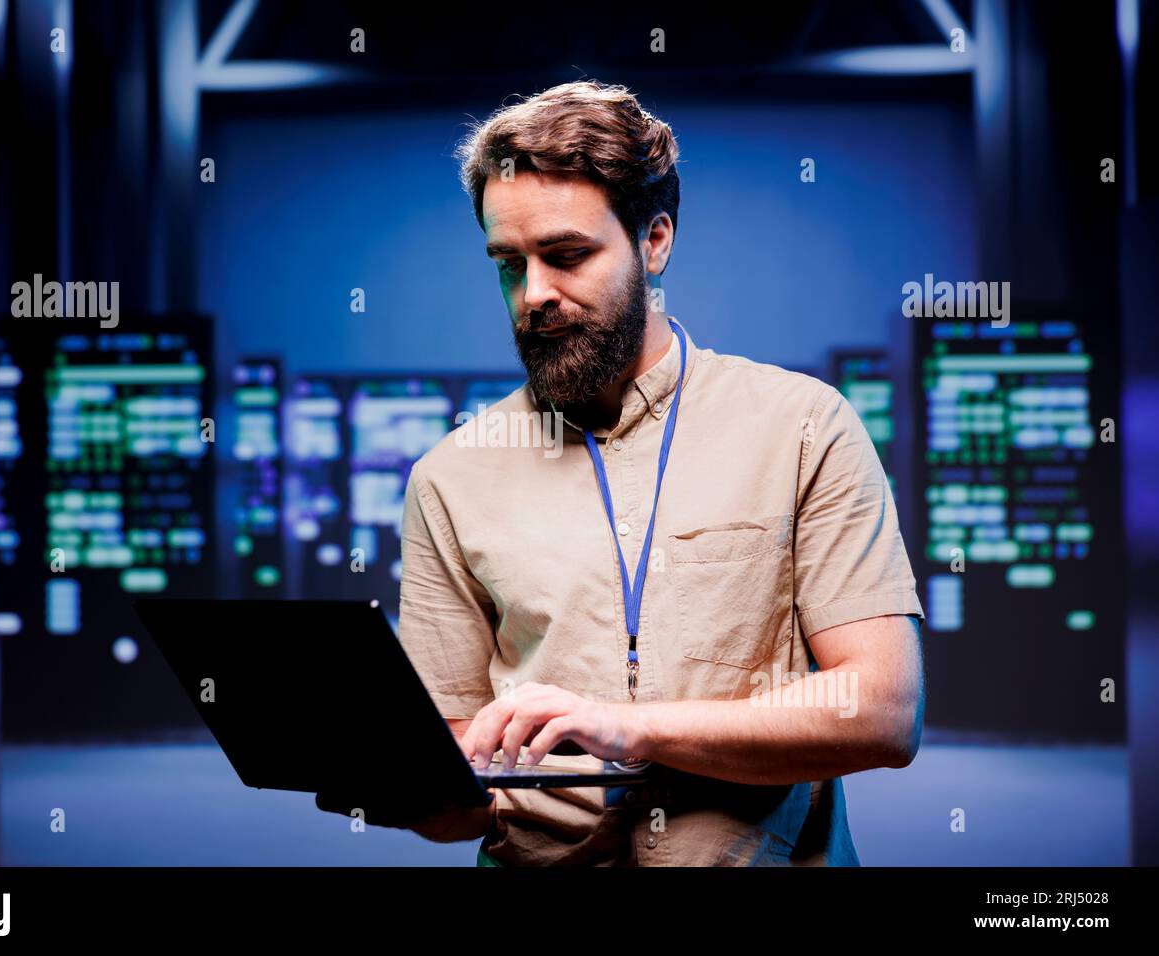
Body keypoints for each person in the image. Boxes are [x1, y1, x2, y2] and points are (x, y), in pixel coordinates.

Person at [320, 79, 924, 866]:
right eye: (509, 264)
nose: (534, 295)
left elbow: (883, 709)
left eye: (567, 255)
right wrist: (406, 789)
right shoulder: (449, 477)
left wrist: (633, 729)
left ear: (655, 240)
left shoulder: (803, 427)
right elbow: (462, 781)